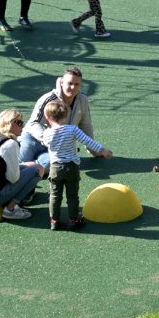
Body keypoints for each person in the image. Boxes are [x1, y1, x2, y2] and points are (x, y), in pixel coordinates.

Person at [40, 99, 111, 230]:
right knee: (72, 195)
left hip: (55, 168)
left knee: (55, 195)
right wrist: (103, 150)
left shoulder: (46, 133)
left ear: (47, 117)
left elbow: (45, 143)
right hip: (71, 167)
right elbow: (88, 141)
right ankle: (74, 219)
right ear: (66, 116)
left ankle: (54, 221)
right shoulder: (72, 129)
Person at [0, 108, 45, 222]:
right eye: (19, 123)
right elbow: (13, 178)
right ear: (8, 124)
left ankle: (21, 196)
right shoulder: (10, 144)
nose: (22, 126)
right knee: (38, 169)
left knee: (30, 165)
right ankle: (11, 209)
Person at [18, 67, 94, 165]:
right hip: (34, 139)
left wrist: (95, 150)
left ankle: (33, 165)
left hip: (56, 146)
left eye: (76, 84)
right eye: (70, 83)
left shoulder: (82, 100)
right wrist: (51, 138)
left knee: (55, 163)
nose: (73, 87)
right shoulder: (48, 99)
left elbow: (86, 125)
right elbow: (34, 123)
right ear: (62, 83)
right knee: (18, 163)